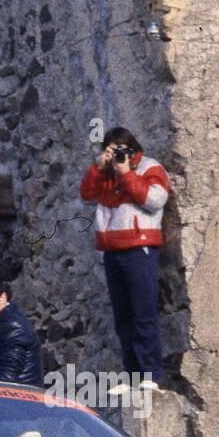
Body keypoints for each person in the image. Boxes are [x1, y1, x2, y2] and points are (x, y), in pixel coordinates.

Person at [79, 127, 170, 388]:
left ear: (132, 149)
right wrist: (99, 168)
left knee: (143, 313)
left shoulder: (150, 167)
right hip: (112, 251)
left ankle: (150, 375)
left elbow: (154, 200)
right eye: (112, 149)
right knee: (123, 317)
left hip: (139, 249)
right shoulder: (105, 173)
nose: (118, 154)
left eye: (122, 149)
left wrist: (127, 174)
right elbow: (86, 196)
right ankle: (132, 376)